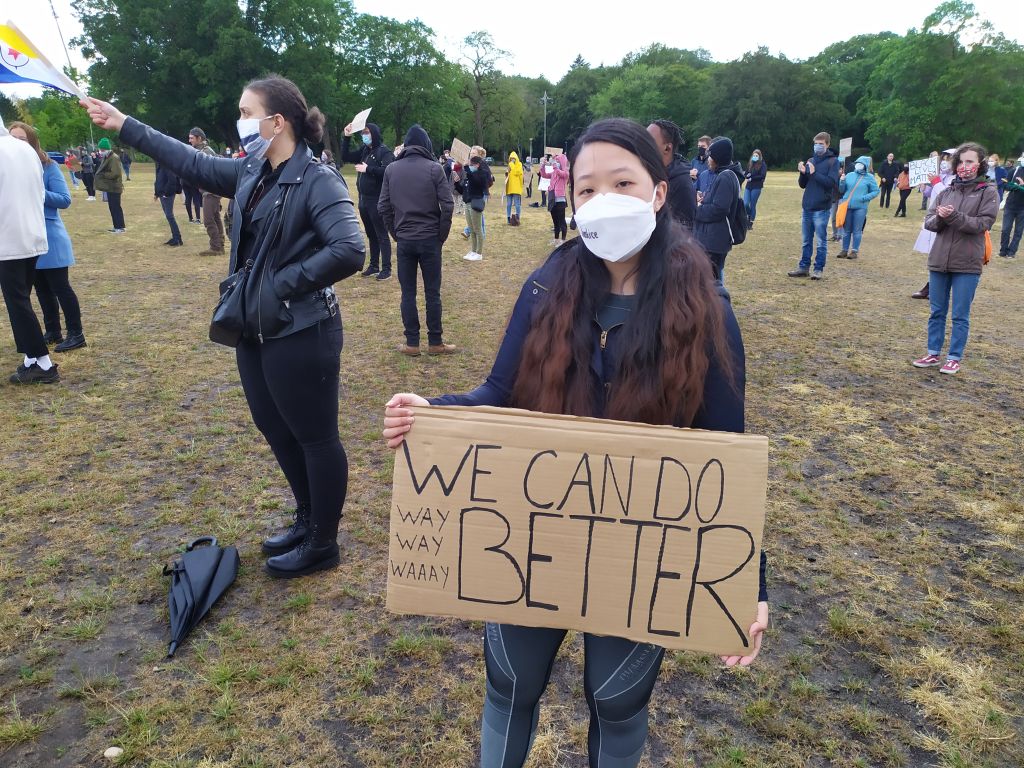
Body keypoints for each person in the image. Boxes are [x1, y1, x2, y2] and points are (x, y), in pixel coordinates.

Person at [382, 117, 768, 768]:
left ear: (658, 193)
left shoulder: (708, 311)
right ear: (568, 197)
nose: (603, 200)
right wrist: (433, 412)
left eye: (623, 182)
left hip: (646, 548)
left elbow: (725, 457)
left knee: (617, 700)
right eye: (587, 189)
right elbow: (497, 393)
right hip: (534, 538)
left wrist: (750, 585)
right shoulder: (546, 286)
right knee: (509, 683)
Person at [82, 74, 366, 575]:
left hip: (302, 329)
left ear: (276, 122)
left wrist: (280, 284)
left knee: (315, 436)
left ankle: (324, 541)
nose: (240, 121)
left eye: (246, 111)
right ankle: (306, 517)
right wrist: (123, 123)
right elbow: (189, 161)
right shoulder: (254, 169)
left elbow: (349, 249)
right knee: (274, 425)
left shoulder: (319, 178)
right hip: (254, 326)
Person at [912, 143, 997, 376]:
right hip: (939, 259)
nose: (964, 166)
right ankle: (932, 352)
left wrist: (954, 216)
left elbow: (983, 224)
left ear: (980, 164)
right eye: (961, 161)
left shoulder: (987, 191)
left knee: (960, 314)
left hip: (967, 263)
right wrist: (940, 217)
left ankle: (954, 357)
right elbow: (929, 222)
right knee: (936, 311)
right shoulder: (947, 190)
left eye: (970, 162)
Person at [378, 124, 456, 357]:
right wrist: (441, 235)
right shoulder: (435, 169)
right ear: (426, 145)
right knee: (433, 292)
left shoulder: (392, 169)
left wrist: (396, 233)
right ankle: (435, 342)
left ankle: (412, 342)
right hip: (429, 239)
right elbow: (448, 205)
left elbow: (383, 206)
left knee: (408, 292)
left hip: (405, 240)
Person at [8, 123, 87, 353]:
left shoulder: (48, 167)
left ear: (32, 142)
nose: (15, 143)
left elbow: (64, 199)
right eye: (12, 138)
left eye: (21, 139)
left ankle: (76, 333)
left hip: (50, 237)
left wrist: (36, 191)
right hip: (27, 237)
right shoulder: (9, 169)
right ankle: (53, 330)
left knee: (60, 287)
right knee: (41, 288)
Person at [0, 116, 59, 383]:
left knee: (18, 302)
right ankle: (31, 359)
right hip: (31, 235)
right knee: (21, 299)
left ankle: (44, 364)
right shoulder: (23, 149)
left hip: (8, 238)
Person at [341, 121, 394, 280]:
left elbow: (388, 171)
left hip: (377, 199)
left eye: (367, 133)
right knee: (371, 234)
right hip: (364, 199)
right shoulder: (365, 150)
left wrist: (368, 169)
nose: (364, 136)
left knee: (381, 234)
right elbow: (346, 157)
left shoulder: (384, 152)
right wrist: (347, 137)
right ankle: (374, 265)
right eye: (363, 133)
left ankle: (386, 269)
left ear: (374, 134)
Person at [788, 132, 840, 280]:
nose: (818, 146)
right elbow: (802, 185)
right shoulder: (811, 160)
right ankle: (803, 267)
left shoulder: (833, 162)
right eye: (816, 143)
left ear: (827, 145)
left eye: (821, 144)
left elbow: (830, 183)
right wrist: (803, 173)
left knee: (821, 241)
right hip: (807, 206)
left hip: (821, 208)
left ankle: (818, 269)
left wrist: (814, 173)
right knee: (806, 240)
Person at [694, 137, 741, 281]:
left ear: (718, 158)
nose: (708, 160)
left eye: (711, 157)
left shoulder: (725, 177)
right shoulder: (724, 175)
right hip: (712, 239)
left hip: (714, 241)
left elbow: (719, 209)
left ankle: (719, 304)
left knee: (712, 283)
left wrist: (698, 208)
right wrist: (705, 198)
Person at [646, 119, 695, 229]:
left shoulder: (682, 184)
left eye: (649, 141)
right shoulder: (649, 175)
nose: (643, 145)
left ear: (667, 148)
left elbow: (685, 233)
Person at [189, 127, 226, 256]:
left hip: (211, 191)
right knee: (215, 218)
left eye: (192, 138)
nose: (190, 141)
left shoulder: (205, 152)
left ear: (199, 138)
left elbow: (209, 172)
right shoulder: (201, 151)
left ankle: (215, 247)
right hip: (211, 190)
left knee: (208, 220)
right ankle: (220, 245)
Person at [835, 156, 880, 260]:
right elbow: (842, 190)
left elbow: (876, 191)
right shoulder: (849, 175)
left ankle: (854, 251)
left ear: (865, 166)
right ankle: (844, 250)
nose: (858, 164)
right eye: (857, 162)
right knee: (846, 230)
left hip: (860, 207)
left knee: (857, 230)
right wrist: (841, 181)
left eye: (861, 163)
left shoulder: (869, 177)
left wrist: (864, 198)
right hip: (847, 206)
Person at [456, 155, 490, 260]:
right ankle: (473, 250)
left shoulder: (482, 174)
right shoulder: (470, 175)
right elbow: (463, 190)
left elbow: (476, 181)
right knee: (471, 229)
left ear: (477, 165)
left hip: (475, 203)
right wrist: (456, 182)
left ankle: (479, 253)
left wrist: (466, 168)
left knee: (477, 229)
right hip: (467, 203)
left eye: (471, 165)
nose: (470, 166)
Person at [93, 138, 126, 233]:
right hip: (110, 187)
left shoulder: (114, 158)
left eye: (102, 150)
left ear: (107, 149)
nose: (100, 152)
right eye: (100, 150)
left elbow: (115, 173)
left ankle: (120, 227)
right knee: (113, 207)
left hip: (114, 187)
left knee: (115, 207)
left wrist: (103, 175)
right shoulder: (107, 157)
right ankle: (117, 226)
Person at [998, 155, 1024, 258]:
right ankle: (1003, 251)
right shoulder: (1014, 170)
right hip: (1010, 205)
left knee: (1018, 231)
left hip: (1023, 208)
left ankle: (1011, 252)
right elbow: (1005, 184)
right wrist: (1015, 186)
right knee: (1005, 229)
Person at [154, 160, 184, 247]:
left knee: (169, 216)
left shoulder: (166, 163)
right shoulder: (159, 162)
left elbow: (172, 180)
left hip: (167, 194)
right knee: (168, 216)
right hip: (162, 193)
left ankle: (177, 238)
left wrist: (166, 193)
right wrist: (156, 193)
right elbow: (158, 179)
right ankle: (175, 237)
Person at [548, 152, 569, 246]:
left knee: (562, 221)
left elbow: (560, 173)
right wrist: (542, 166)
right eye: (556, 161)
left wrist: (555, 165)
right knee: (555, 221)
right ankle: (556, 239)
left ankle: (563, 240)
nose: (556, 163)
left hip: (560, 200)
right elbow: (544, 175)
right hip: (553, 199)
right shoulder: (554, 172)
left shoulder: (565, 173)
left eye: (558, 161)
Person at [743, 149, 767, 228]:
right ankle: (748, 216)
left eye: (757, 156)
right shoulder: (750, 163)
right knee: (745, 203)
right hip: (748, 186)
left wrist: (752, 178)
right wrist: (747, 175)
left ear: (759, 157)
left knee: (753, 204)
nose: (755, 157)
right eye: (754, 155)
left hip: (757, 186)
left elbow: (762, 176)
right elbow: (746, 173)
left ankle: (750, 222)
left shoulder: (762, 164)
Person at [505, 151, 523, 225]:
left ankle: (517, 217)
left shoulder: (519, 165)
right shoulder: (509, 165)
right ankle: (508, 218)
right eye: (511, 158)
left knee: (517, 203)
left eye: (514, 158)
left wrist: (512, 165)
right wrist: (506, 173)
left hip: (516, 188)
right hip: (509, 187)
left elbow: (517, 172)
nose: (512, 160)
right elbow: (508, 175)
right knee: (509, 204)